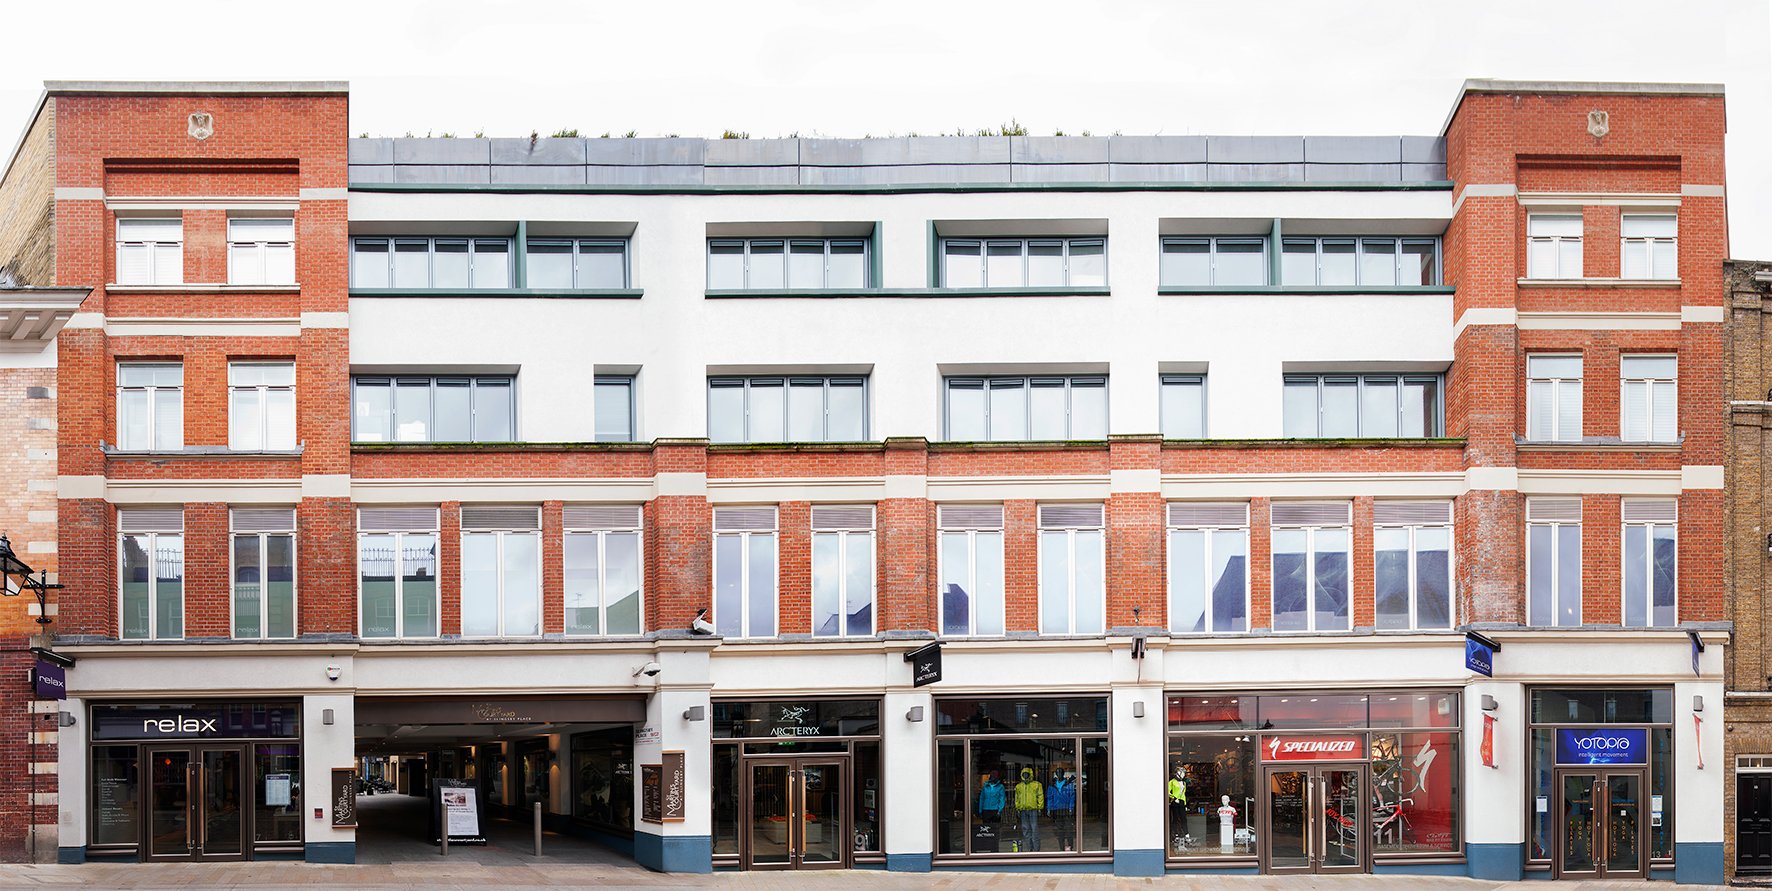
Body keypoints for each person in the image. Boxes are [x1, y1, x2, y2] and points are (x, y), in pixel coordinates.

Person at [1013, 767, 1044, 852]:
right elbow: (1017, 798)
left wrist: (1039, 807)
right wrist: (1018, 808)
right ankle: (1030, 848)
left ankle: (1036, 849)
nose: (1025, 776)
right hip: (1023, 810)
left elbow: (1040, 796)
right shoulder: (1019, 786)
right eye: (1024, 774)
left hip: (1033, 809)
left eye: (1027, 774)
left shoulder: (1037, 785)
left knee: (1034, 829)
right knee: (1025, 829)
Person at [1047, 770, 1076, 851]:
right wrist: (1049, 809)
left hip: (1066, 809)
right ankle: (1061, 848)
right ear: (1056, 774)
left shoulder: (1069, 784)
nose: (1059, 774)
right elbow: (1050, 798)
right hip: (1057, 809)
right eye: (1058, 773)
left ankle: (1070, 846)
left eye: (1060, 773)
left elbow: (1072, 797)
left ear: (1063, 774)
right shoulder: (1052, 785)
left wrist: (1071, 808)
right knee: (1060, 830)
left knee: (1069, 829)